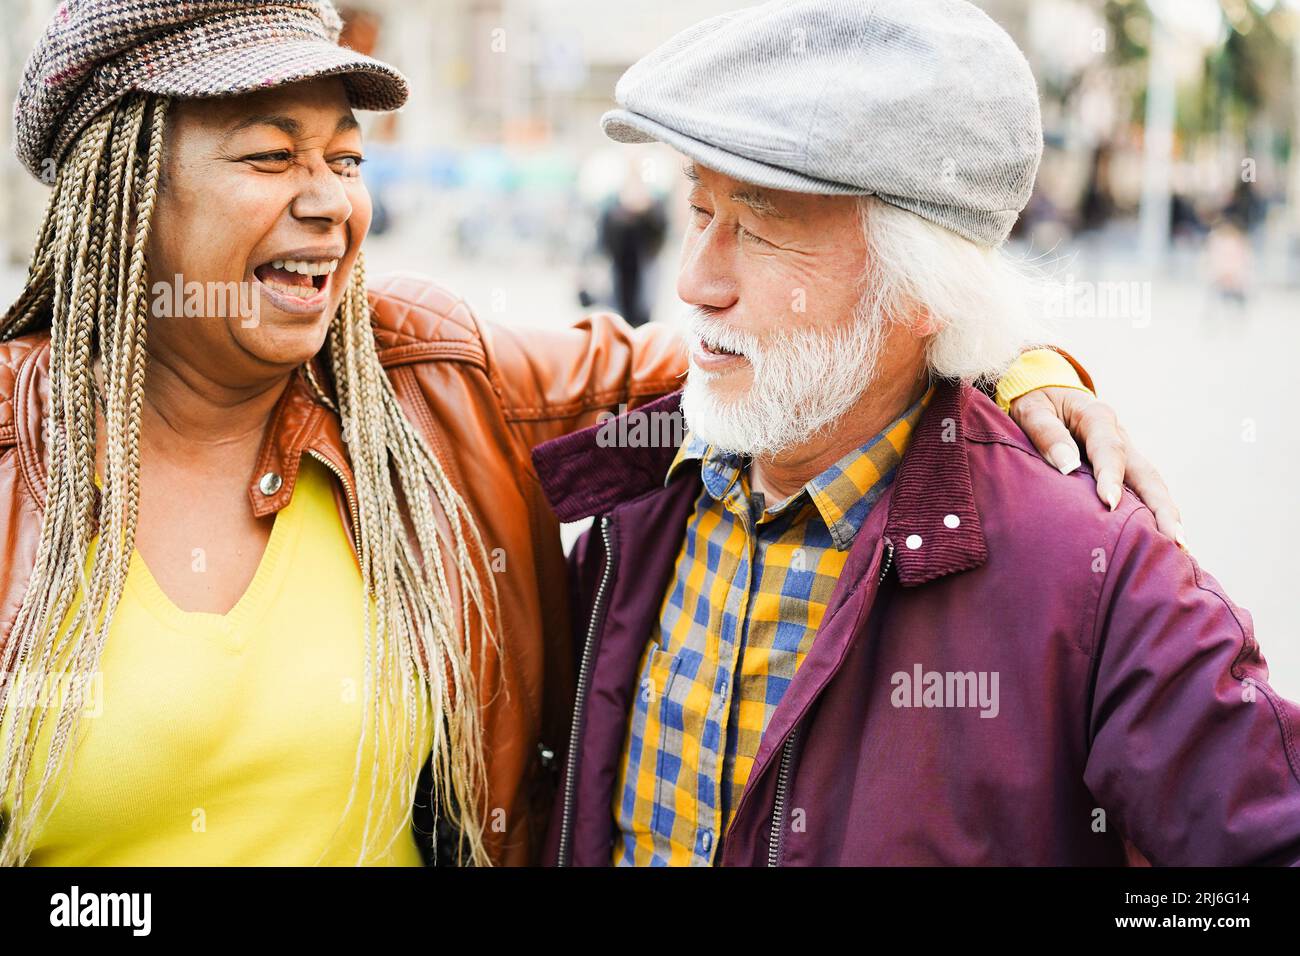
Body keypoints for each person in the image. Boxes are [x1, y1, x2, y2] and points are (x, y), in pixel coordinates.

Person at [0, 0, 1166, 867]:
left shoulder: (424, 373)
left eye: (345, 158)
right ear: (125, 189)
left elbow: (797, 348)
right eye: (269, 155)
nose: (329, 198)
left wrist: (1015, 357)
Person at [533, 0, 1300, 866]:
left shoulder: (1102, 576)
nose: (693, 281)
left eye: (762, 228)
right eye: (701, 212)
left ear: (923, 289)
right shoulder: (640, 488)